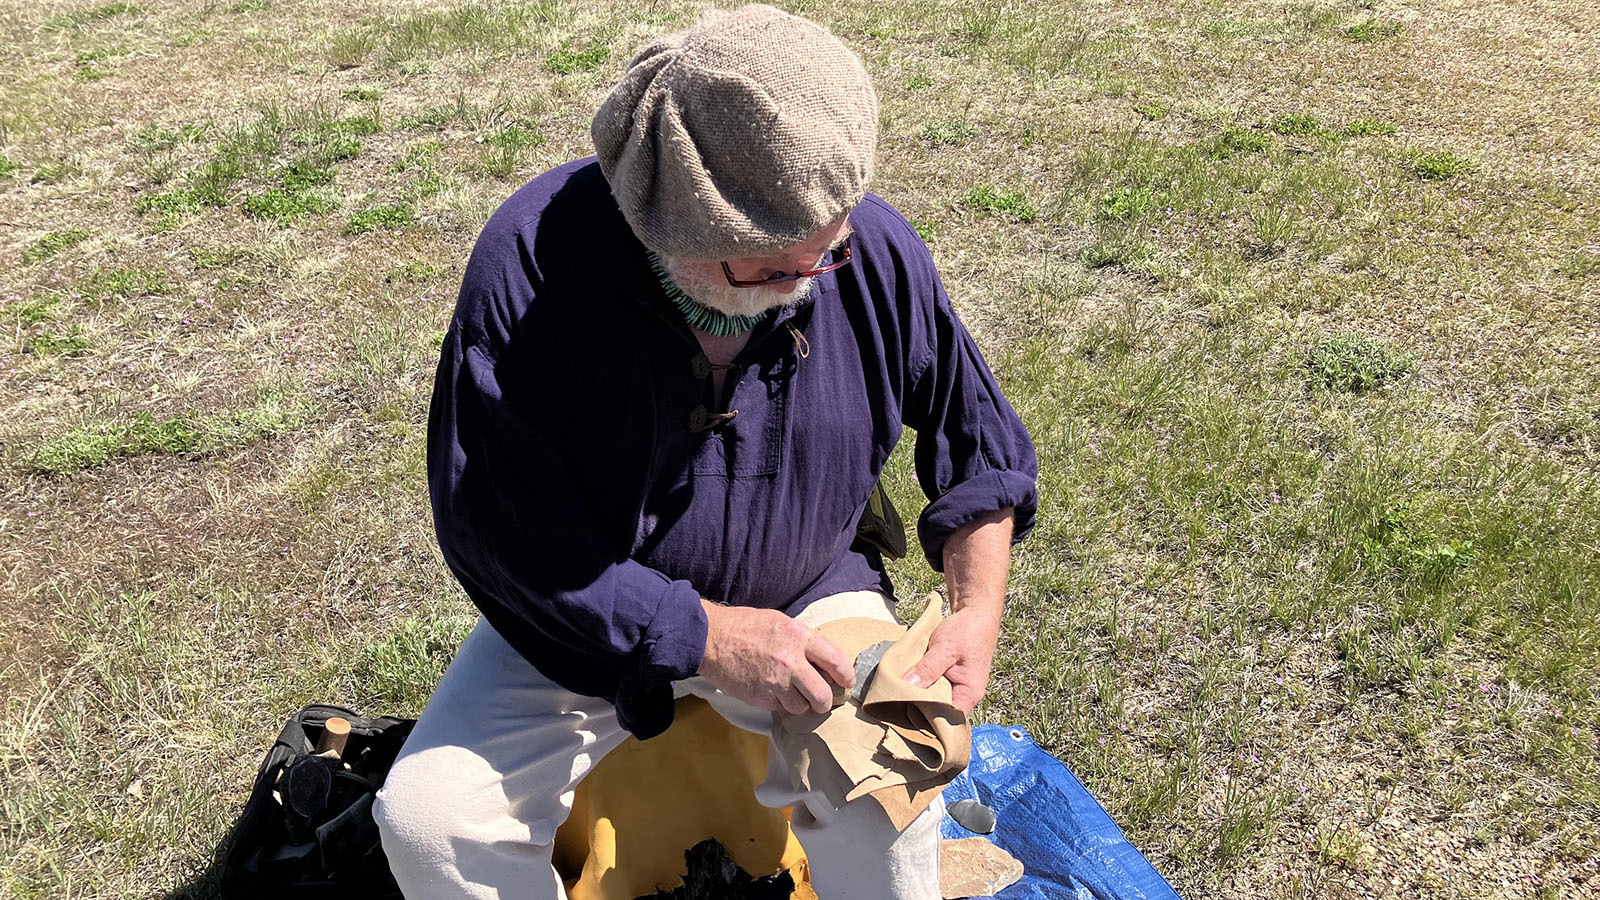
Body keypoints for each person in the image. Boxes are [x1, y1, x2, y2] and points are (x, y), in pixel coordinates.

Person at [372, 5, 1038, 898]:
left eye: (826, 253)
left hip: (809, 591)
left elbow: (979, 443)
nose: (806, 285)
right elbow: (505, 534)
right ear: (668, 236)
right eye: (768, 268)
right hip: (590, 620)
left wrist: (974, 606)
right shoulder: (530, 270)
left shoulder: (865, 251)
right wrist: (702, 633)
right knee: (432, 822)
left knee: (887, 788)